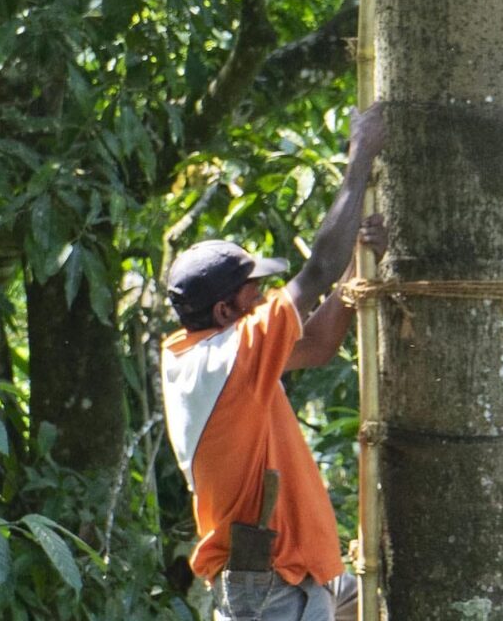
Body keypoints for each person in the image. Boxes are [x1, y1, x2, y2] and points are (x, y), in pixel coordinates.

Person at [161, 103, 387, 621]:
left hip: (295, 573)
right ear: (223, 310)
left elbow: (315, 346)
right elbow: (318, 270)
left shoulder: (203, 352)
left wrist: (359, 266)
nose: (265, 302)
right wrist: (361, 157)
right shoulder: (224, 360)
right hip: (270, 588)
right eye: (254, 293)